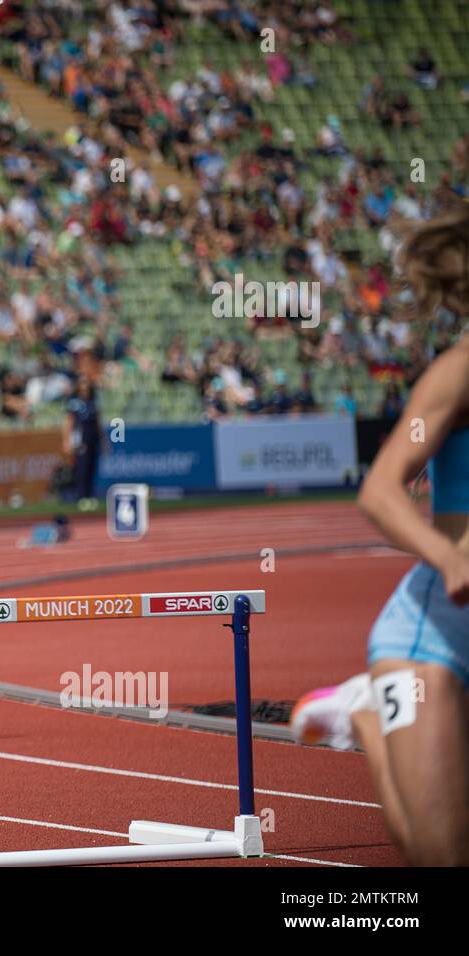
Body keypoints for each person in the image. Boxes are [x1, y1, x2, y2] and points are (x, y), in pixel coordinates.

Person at [291, 203, 469, 865]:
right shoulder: (459, 371)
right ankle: (367, 714)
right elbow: (382, 489)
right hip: (440, 629)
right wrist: (449, 559)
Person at [63, 377, 101, 510]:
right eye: (82, 388)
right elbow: (69, 423)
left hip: (93, 438)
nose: (85, 391)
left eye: (87, 388)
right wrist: (66, 441)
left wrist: (103, 440)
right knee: (82, 468)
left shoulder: (93, 403)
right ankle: (82, 496)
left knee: (91, 467)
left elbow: (98, 423)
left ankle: (90, 495)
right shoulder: (74, 404)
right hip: (81, 438)